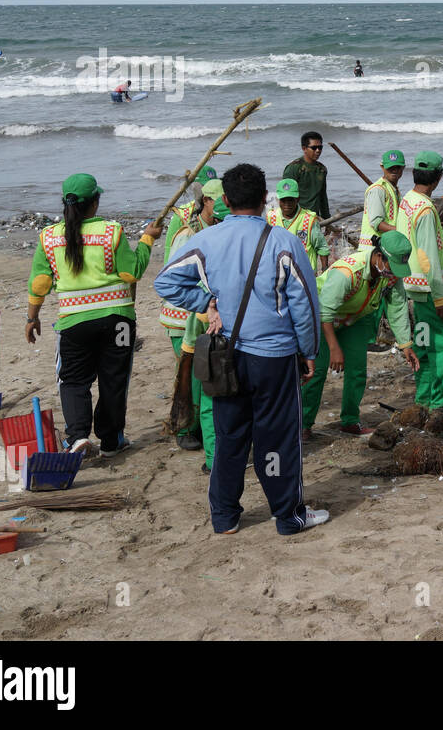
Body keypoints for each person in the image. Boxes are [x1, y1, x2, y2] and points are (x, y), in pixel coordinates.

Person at [154, 163, 328, 536]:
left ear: (226, 200)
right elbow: (305, 302)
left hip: (227, 355)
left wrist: (205, 304)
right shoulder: (284, 241)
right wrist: (309, 350)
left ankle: (225, 517)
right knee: (277, 440)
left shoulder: (209, 239)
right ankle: (288, 516)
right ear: (265, 198)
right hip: (275, 358)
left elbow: (165, 280)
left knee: (230, 436)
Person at [26, 174, 163, 457]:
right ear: (95, 203)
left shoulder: (49, 237)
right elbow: (131, 272)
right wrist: (148, 239)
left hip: (74, 323)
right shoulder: (111, 231)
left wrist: (32, 318)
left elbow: (40, 283)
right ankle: (111, 441)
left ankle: (78, 437)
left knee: (74, 380)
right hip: (118, 321)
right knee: (114, 379)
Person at [302, 232, 420, 438]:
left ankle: (350, 421)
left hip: (354, 318)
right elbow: (324, 312)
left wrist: (405, 344)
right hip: (320, 318)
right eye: (391, 265)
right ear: (378, 256)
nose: (394, 273)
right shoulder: (347, 272)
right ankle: (303, 424)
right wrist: (334, 348)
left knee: (357, 369)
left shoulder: (390, 275)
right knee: (316, 372)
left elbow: (397, 307)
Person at [399, 150, 443, 411]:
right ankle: (439, 404)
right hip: (430, 291)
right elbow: (426, 256)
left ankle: (423, 400)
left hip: (413, 288)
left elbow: (426, 246)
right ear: (438, 178)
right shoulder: (426, 210)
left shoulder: (408, 201)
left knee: (424, 343)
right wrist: (441, 298)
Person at [159, 190, 226, 454]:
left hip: (198, 315)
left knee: (201, 377)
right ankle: (186, 428)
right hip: (183, 317)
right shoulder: (189, 234)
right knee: (191, 376)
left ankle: (197, 429)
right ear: (206, 202)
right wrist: (203, 303)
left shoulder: (209, 232)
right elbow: (172, 278)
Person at [267, 178, 330, 272]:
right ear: (278, 200)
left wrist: (325, 272)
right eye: (283, 200)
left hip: (304, 274)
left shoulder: (308, 219)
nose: (287, 204)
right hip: (278, 273)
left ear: (297, 199)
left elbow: (322, 247)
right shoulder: (271, 218)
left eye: (290, 200)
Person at [165, 177, 223, 262]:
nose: (223, 206)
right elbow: (173, 269)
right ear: (206, 200)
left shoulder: (222, 227)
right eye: (218, 202)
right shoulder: (188, 234)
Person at [360, 149, 405, 248]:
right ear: (382, 167)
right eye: (390, 167)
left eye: (398, 167)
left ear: (403, 168)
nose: (394, 170)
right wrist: (403, 230)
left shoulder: (393, 190)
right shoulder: (378, 190)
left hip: (385, 245)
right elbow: (377, 223)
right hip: (373, 249)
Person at [283, 131, 331, 219]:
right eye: (314, 148)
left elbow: (323, 196)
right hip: (298, 217)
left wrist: (327, 219)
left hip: (314, 217)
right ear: (304, 148)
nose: (318, 151)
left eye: (320, 147)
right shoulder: (293, 168)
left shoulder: (322, 169)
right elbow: (286, 197)